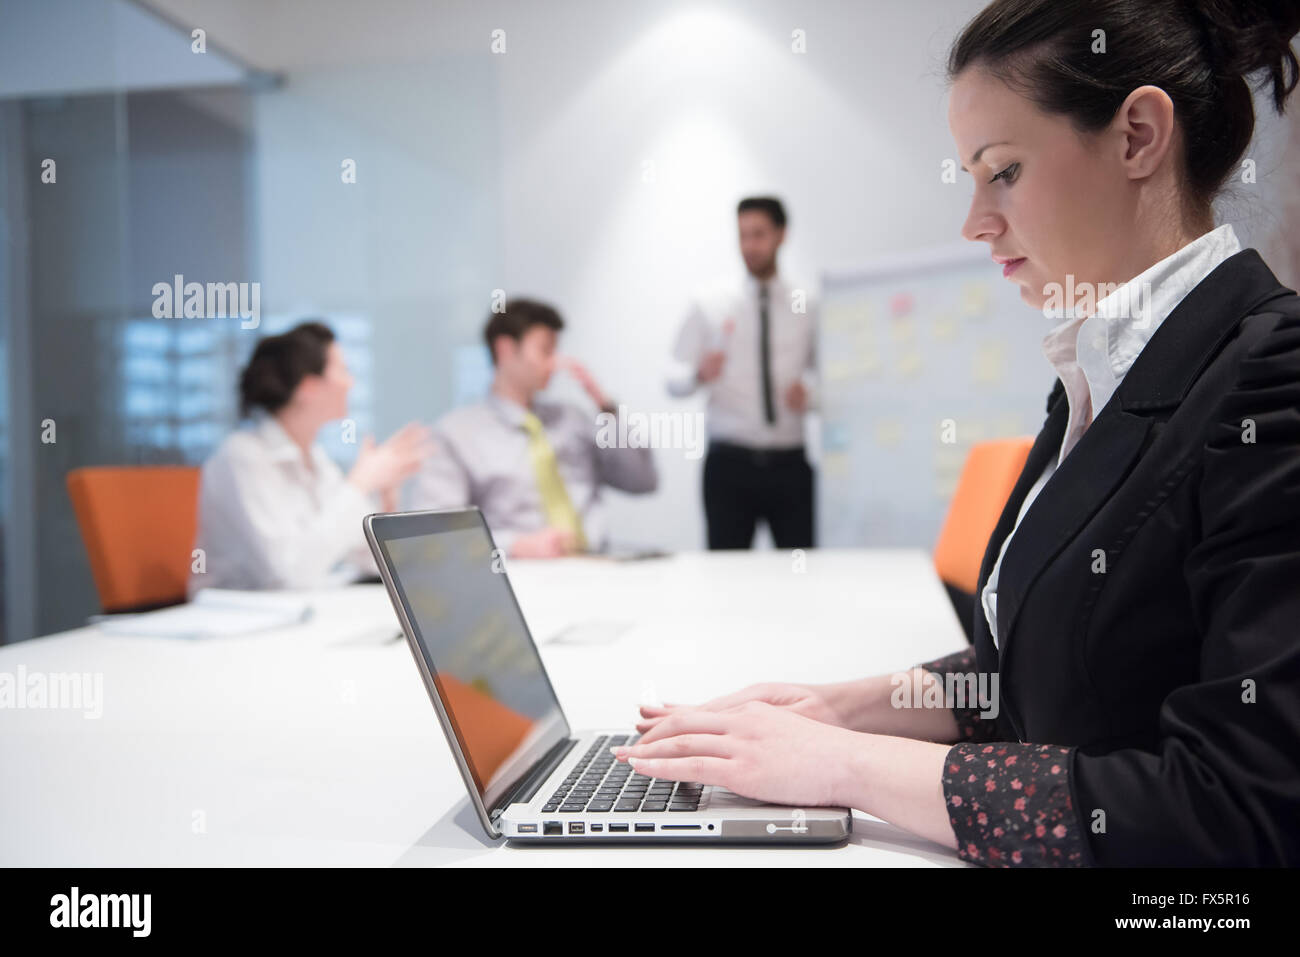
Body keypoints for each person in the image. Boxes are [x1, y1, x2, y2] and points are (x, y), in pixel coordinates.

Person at [614, 0, 1300, 866]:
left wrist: (849, 763)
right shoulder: (1102, 371)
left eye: (1003, 170)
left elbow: (1243, 809)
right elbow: (1032, 671)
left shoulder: (1271, 378)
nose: (974, 221)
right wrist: (842, 706)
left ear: (1137, 136)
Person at [190, 321, 431, 595]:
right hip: (236, 618)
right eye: (342, 370)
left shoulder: (316, 458)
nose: (350, 382)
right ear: (308, 387)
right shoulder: (242, 456)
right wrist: (360, 483)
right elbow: (290, 575)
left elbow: (362, 558)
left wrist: (385, 502)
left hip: (298, 610)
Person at [409, 299, 657, 558]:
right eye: (545, 351)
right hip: (521, 576)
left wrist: (605, 405)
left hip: (597, 565)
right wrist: (514, 546)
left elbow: (643, 480)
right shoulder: (455, 434)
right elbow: (439, 533)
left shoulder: (572, 418)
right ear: (505, 349)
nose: (555, 363)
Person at [667, 196, 818, 550]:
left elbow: (833, 376)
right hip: (729, 467)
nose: (749, 245)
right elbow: (671, 375)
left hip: (790, 465)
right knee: (724, 577)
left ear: (781, 235)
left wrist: (812, 395)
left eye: (759, 234)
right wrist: (697, 375)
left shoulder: (807, 304)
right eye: (742, 235)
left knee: (803, 573)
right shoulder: (709, 302)